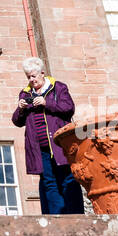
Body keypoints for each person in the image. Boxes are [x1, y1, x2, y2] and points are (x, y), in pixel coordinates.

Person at [12, 57, 84, 215]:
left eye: (33, 76)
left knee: (68, 179)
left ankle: (75, 215)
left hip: (60, 144)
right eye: (28, 77)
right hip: (39, 147)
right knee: (48, 182)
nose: (31, 80)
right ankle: (56, 218)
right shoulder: (25, 94)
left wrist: (46, 103)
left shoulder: (58, 87)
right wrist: (21, 108)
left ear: (42, 73)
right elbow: (17, 121)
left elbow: (68, 108)